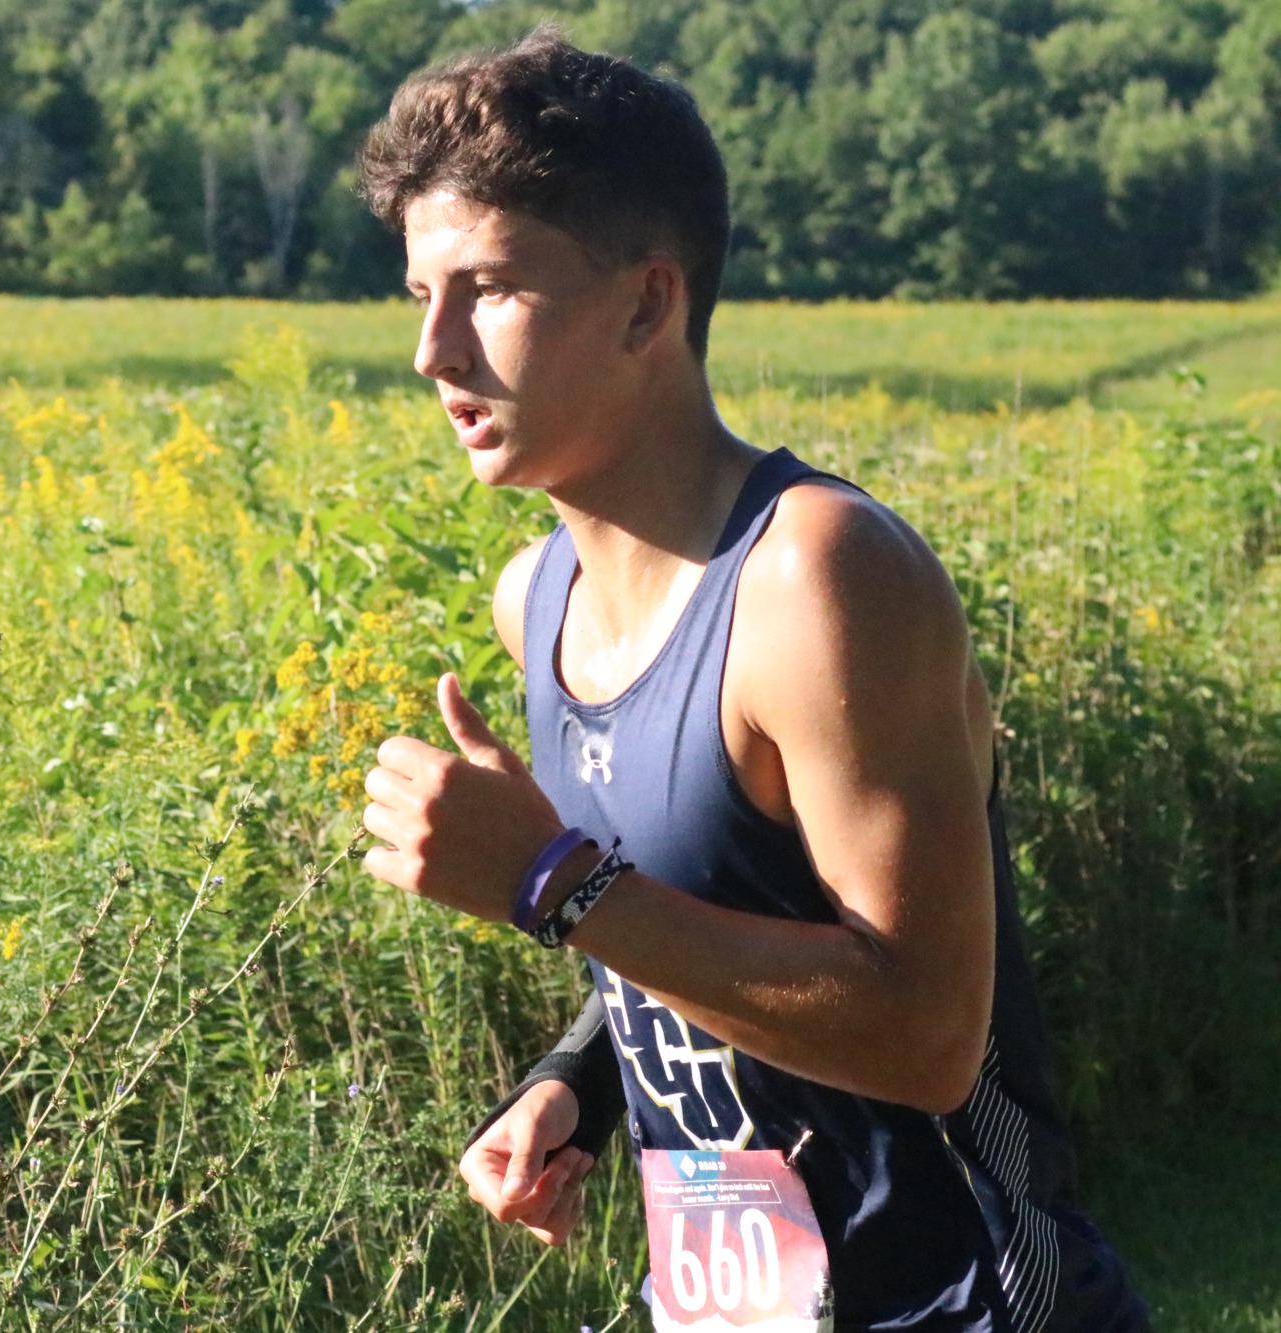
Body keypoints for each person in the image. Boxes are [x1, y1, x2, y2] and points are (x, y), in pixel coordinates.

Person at [351, 27, 1147, 1333]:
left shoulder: (817, 576)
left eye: (488, 288)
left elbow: (927, 1033)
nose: (433, 351)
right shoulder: (534, 602)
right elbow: (697, 904)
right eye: (417, 294)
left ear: (649, 304)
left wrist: (550, 883)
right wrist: (578, 1079)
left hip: (968, 1307)